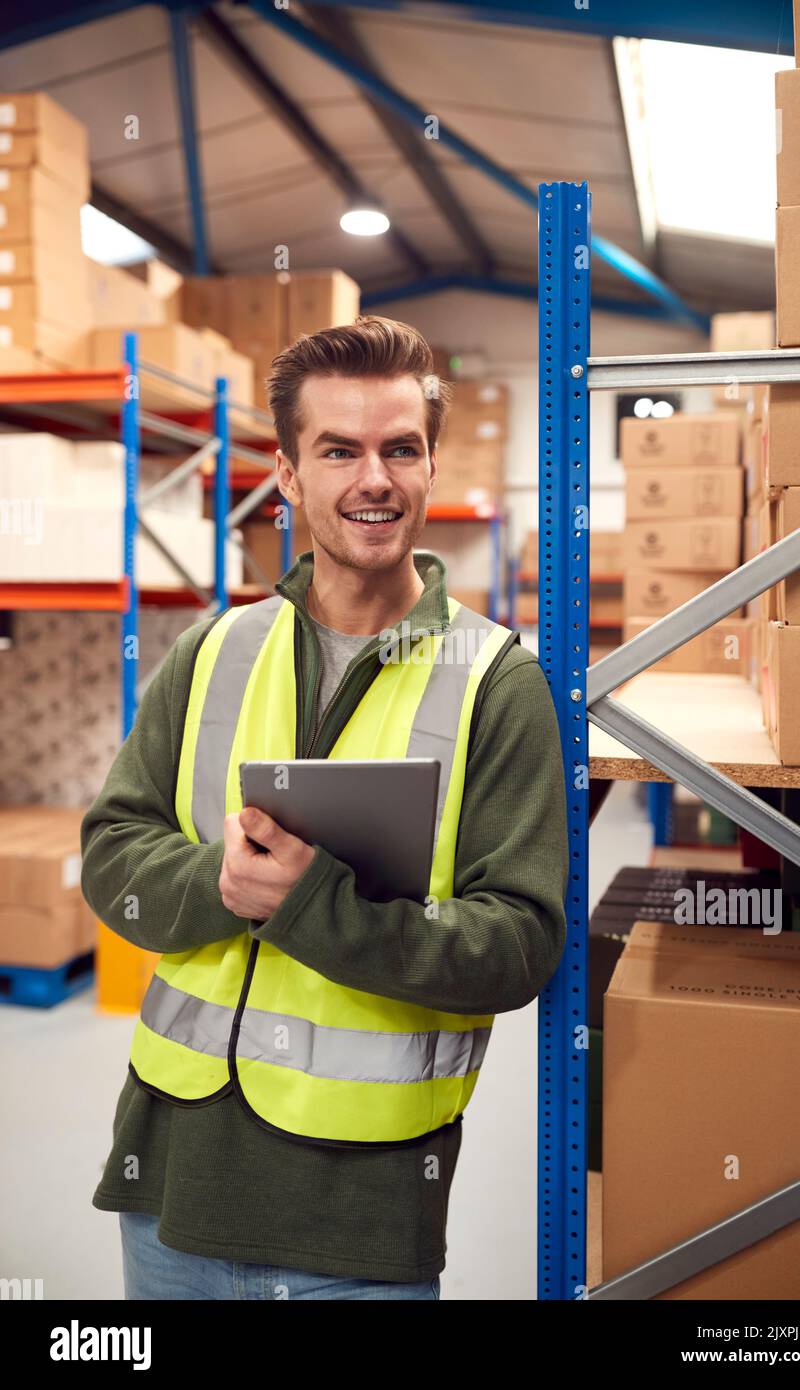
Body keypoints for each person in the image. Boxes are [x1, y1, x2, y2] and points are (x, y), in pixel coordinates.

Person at [81, 314, 570, 1301]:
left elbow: (517, 946)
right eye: (337, 450)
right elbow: (110, 855)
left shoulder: (496, 683)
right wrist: (218, 878)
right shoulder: (212, 652)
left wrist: (312, 903)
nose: (373, 479)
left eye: (399, 448)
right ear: (291, 477)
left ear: (431, 464)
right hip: (167, 1198)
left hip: (357, 1228)